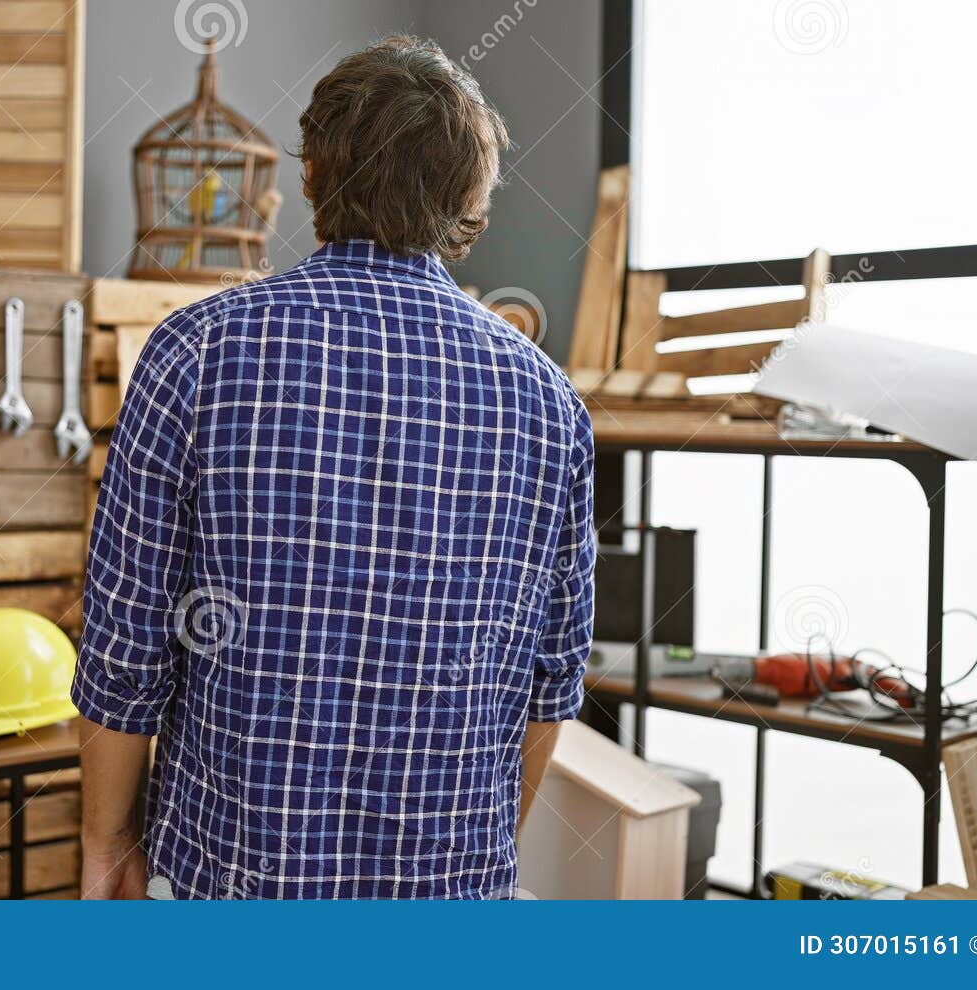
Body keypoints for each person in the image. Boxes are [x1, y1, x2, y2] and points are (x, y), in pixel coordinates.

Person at [74, 35, 594, 900]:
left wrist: (105, 839)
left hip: (226, 883)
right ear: (471, 195)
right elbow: (551, 680)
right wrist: (481, 867)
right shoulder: (549, 401)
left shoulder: (194, 352)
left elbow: (125, 646)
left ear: (311, 173)